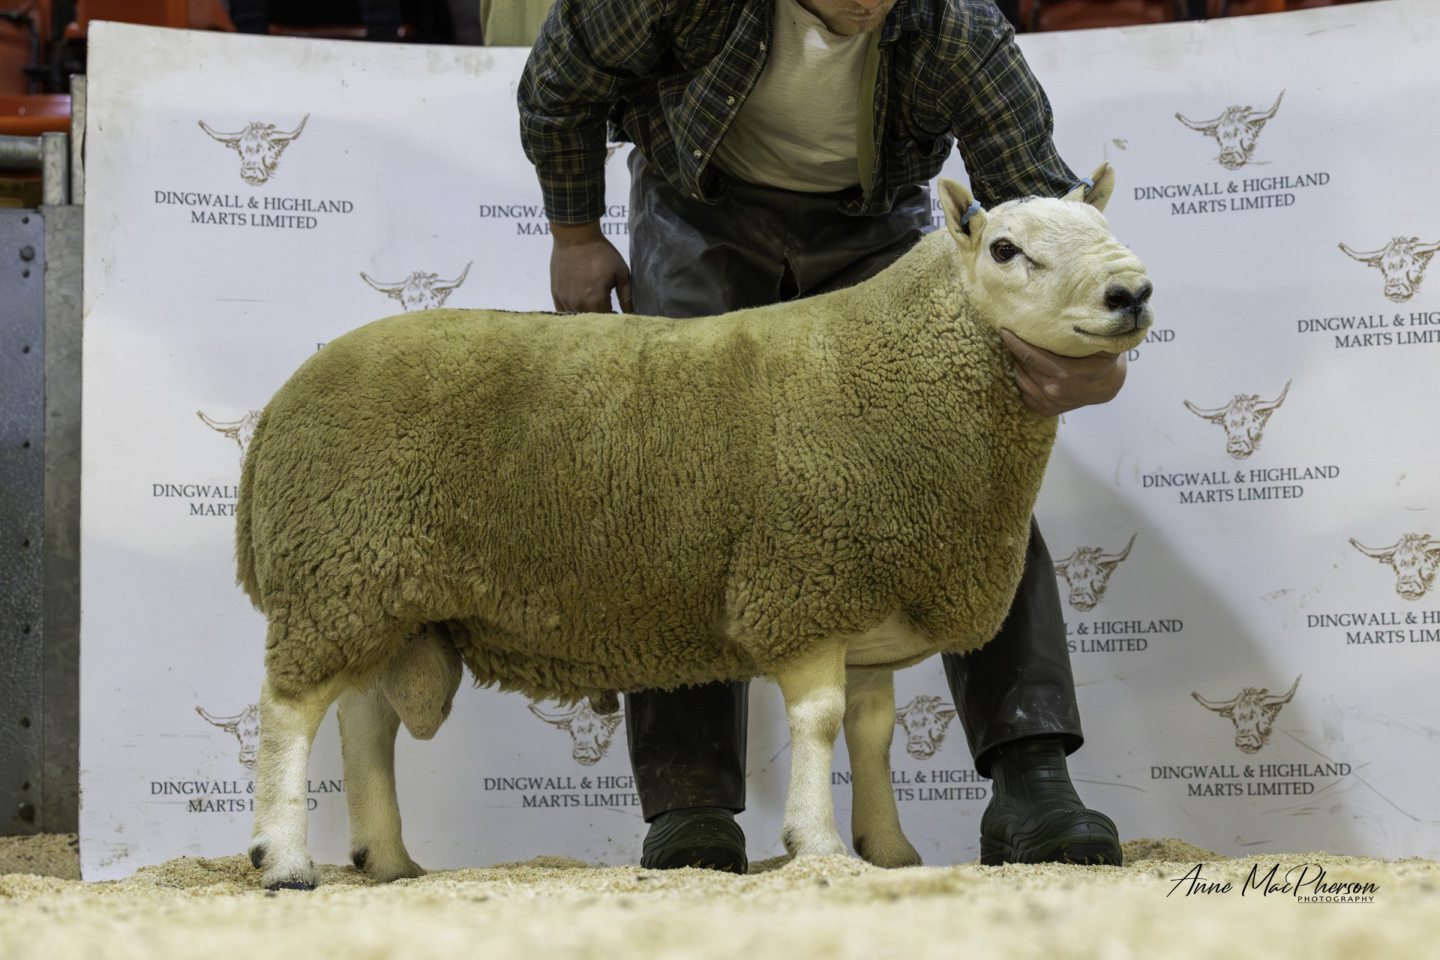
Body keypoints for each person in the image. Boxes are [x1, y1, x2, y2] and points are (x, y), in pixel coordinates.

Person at [518, 0, 1126, 872]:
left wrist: (1091, 351)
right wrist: (575, 234)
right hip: (701, 212)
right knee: (684, 485)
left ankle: (1032, 777)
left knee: (965, 471)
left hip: (869, 228)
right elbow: (559, 80)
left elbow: (1038, 204)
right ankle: (690, 801)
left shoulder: (956, 26)